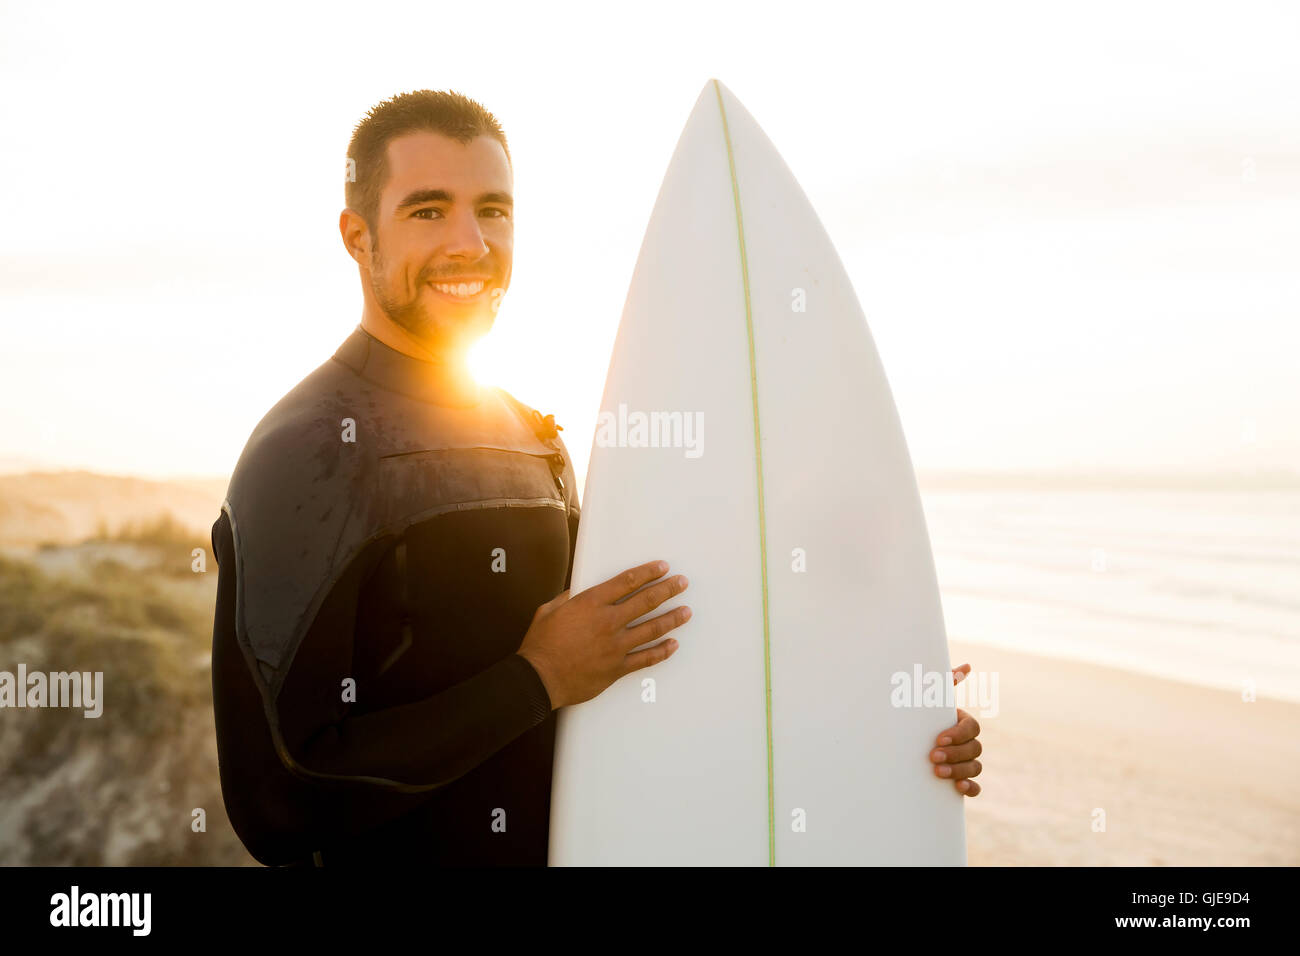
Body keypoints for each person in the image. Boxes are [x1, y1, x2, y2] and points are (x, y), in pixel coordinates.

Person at [210, 90, 981, 868]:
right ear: (357, 234)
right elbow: (280, 794)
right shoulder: (308, 453)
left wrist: (871, 697)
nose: (471, 242)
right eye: (427, 211)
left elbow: (645, 651)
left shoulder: (528, 435)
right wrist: (536, 678)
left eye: (494, 210)